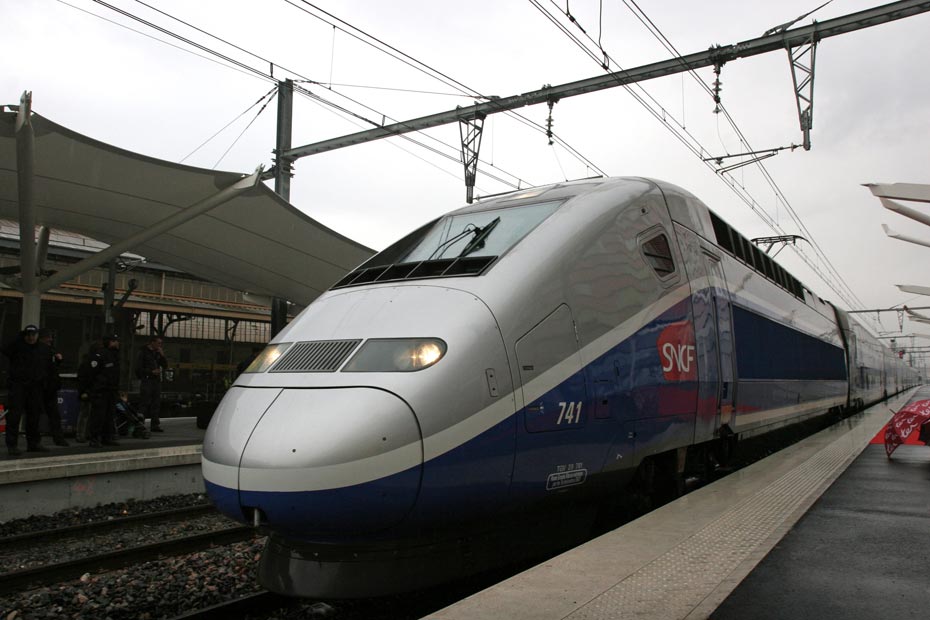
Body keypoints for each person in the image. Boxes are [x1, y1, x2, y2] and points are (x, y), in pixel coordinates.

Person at [1, 325, 49, 455]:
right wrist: (20, 337)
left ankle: (33, 443)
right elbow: (5, 349)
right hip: (18, 385)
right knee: (14, 416)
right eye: (29, 335)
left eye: (34, 335)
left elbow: (47, 364)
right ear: (25, 335)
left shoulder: (41, 348)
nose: (32, 337)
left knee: (34, 416)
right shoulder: (17, 346)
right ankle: (12, 444)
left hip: (35, 386)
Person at [84, 333, 121, 448]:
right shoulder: (100, 355)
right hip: (101, 390)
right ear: (110, 342)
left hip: (111, 390)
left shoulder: (114, 355)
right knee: (98, 416)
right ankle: (94, 438)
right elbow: (91, 374)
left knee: (109, 415)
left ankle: (107, 437)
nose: (117, 343)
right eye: (115, 341)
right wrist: (92, 389)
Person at [38, 328, 69, 447]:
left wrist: (57, 361)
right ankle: (55, 438)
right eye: (48, 337)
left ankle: (57, 437)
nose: (50, 339)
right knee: (42, 413)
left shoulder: (49, 350)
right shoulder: (42, 351)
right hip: (43, 386)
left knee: (53, 414)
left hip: (49, 386)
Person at [136, 336, 168, 432]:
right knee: (144, 402)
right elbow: (138, 369)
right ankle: (140, 424)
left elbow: (165, 366)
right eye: (158, 343)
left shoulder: (157, 353)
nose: (160, 345)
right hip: (147, 380)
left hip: (156, 381)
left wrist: (162, 355)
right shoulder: (143, 352)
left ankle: (155, 425)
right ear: (152, 343)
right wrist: (151, 372)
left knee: (156, 403)